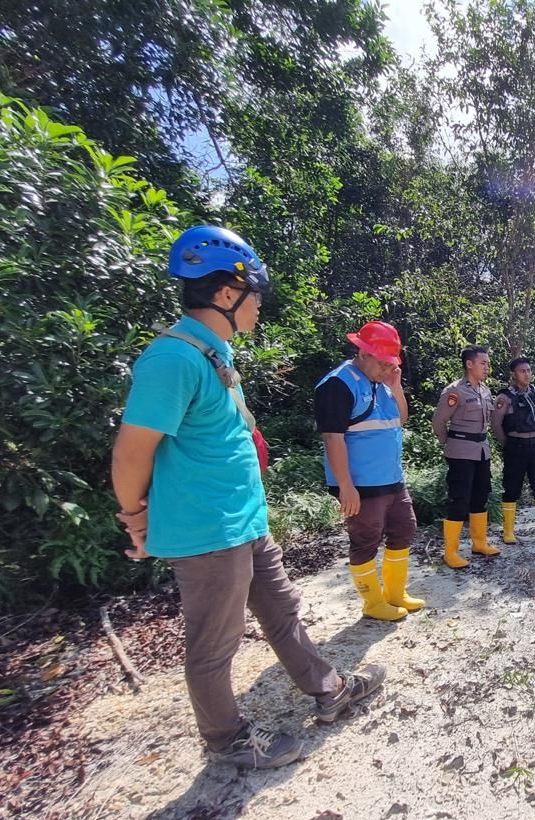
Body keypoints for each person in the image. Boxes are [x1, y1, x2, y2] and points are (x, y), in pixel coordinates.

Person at [112, 225, 384, 770]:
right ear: (225, 294)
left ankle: (327, 687)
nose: (259, 306)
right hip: (207, 529)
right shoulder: (174, 360)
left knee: (283, 612)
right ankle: (226, 738)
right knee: (215, 642)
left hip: (243, 521)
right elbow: (131, 450)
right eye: (254, 295)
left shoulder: (213, 355)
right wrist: (136, 517)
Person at [315, 320, 424, 622]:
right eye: (382, 362)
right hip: (361, 484)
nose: (387, 368)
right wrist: (345, 486)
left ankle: (394, 594)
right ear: (363, 353)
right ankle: (372, 603)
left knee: (404, 529)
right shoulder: (338, 384)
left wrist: (396, 386)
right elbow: (332, 438)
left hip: (391, 479)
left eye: (392, 363)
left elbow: (400, 419)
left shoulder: (382, 383)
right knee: (366, 539)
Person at [433, 345, 499, 568]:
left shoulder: (485, 391)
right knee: (459, 498)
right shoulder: (455, 391)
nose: (487, 367)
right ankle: (450, 552)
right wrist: (450, 444)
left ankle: (479, 543)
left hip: (481, 450)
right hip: (461, 451)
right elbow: (438, 423)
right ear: (469, 364)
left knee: (480, 495)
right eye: (483, 363)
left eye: (488, 363)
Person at [492, 357, 535, 543]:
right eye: (522, 371)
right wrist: (507, 443)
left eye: (529, 370)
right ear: (514, 374)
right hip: (515, 445)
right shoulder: (504, 396)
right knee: (511, 488)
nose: (527, 374)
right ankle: (508, 531)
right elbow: (496, 424)